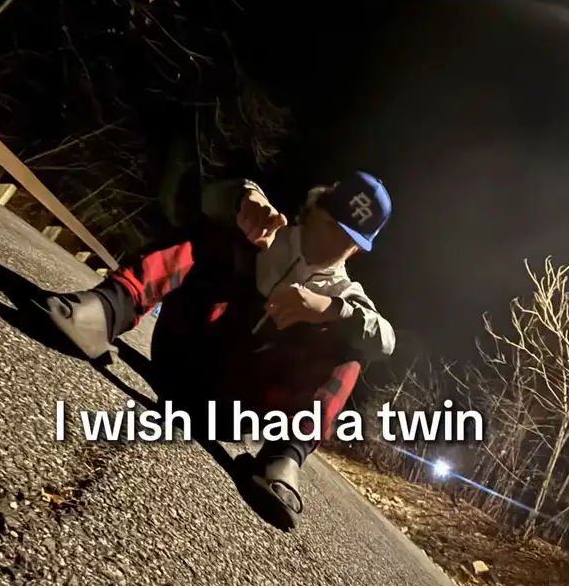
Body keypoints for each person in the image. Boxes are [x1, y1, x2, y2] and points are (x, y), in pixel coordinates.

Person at [44, 171, 396, 530]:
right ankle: (108, 309)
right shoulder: (270, 228)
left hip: (236, 412)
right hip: (182, 357)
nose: (329, 242)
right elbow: (208, 198)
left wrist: (333, 310)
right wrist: (243, 198)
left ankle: (282, 458)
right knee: (222, 229)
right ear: (312, 208)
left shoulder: (344, 292)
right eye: (328, 225)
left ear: (356, 249)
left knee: (352, 341)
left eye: (344, 239)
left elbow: (386, 341)